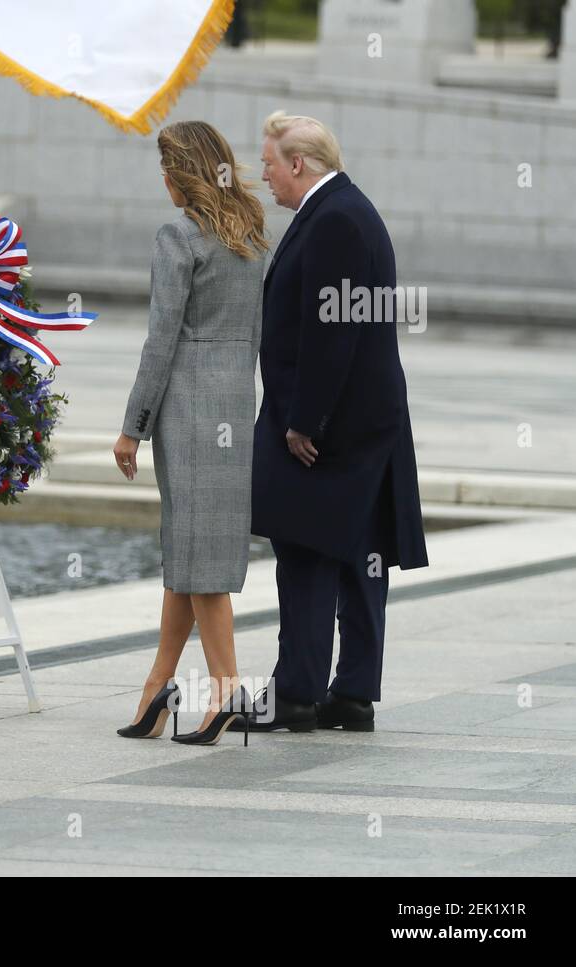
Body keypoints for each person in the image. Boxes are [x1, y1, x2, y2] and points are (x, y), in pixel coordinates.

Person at [239, 112, 428, 734]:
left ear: (298, 164)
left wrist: (303, 421)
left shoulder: (336, 219)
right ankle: (350, 696)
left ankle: (295, 694)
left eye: (268, 163)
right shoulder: (343, 210)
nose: (263, 175)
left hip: (332, 431)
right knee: (360, 556)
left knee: (308, 553)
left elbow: (332, 331)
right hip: (360, 425)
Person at [114, 121, 268, 746]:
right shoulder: (254, 235)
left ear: (184, 173)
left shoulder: (178, 236)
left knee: (198, 559)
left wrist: (131, 427)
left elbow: (161, 340)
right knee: (191, 550)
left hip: (188, 408)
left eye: (166, 168)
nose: (163, 180)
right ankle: (158, 689)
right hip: (235, 400)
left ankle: (228, 690)